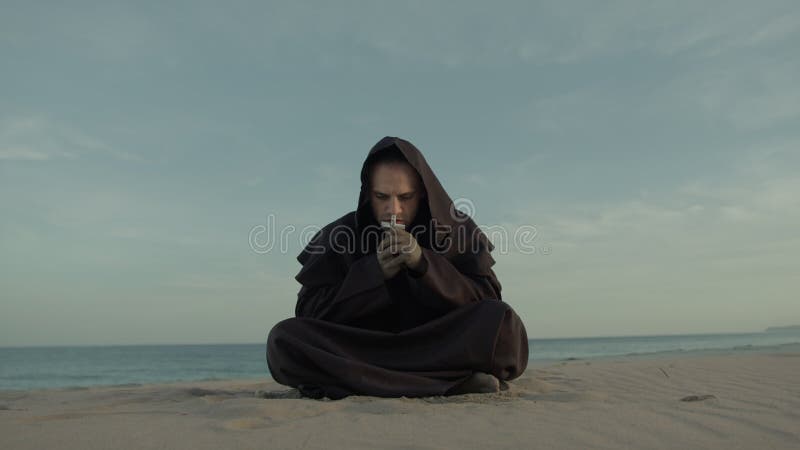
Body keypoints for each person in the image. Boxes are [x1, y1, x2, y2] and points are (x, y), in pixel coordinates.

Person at [266, 136, 529, 399]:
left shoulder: (456, 230)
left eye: (405, 197)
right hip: (362, 348)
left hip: (436, 346)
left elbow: (487, 298)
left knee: (504, 324)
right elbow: (309, 313)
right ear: (367, 194)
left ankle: (367, 382)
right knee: (283, 340)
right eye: (382, 196)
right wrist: (373, 274)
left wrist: (423, 264)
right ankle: (450, 383)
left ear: (423, 192)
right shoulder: (341, 234)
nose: (394, 209)